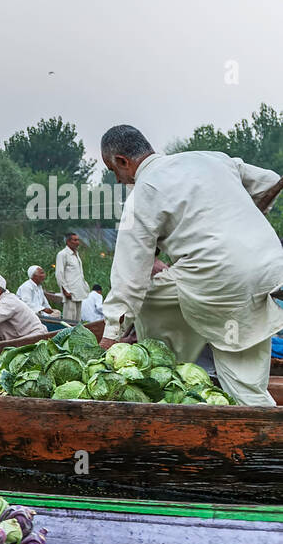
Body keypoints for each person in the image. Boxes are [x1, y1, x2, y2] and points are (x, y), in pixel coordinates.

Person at [98, 124, 283, 406]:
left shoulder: (144, 191)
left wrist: (111, 336)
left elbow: (129, 277)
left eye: (115, 171)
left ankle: (167, 369)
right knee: (247, 372)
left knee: (149, 296)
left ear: (123, 161)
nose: (120, 180)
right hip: (269, 267)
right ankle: (256, 408)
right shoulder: (210, 158)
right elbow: (271, 182)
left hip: (221, 277)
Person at [55, 232, 89, 323]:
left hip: (78, 290)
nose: (77, 242)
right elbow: (59, 273)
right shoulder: (62, 254)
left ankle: (76, 336)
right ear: (68, 242)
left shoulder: (76, 254)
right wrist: (65, 290)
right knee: (69, 319)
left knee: (77, 320)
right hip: (70, 291)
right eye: (75, 240)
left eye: (78, 240)